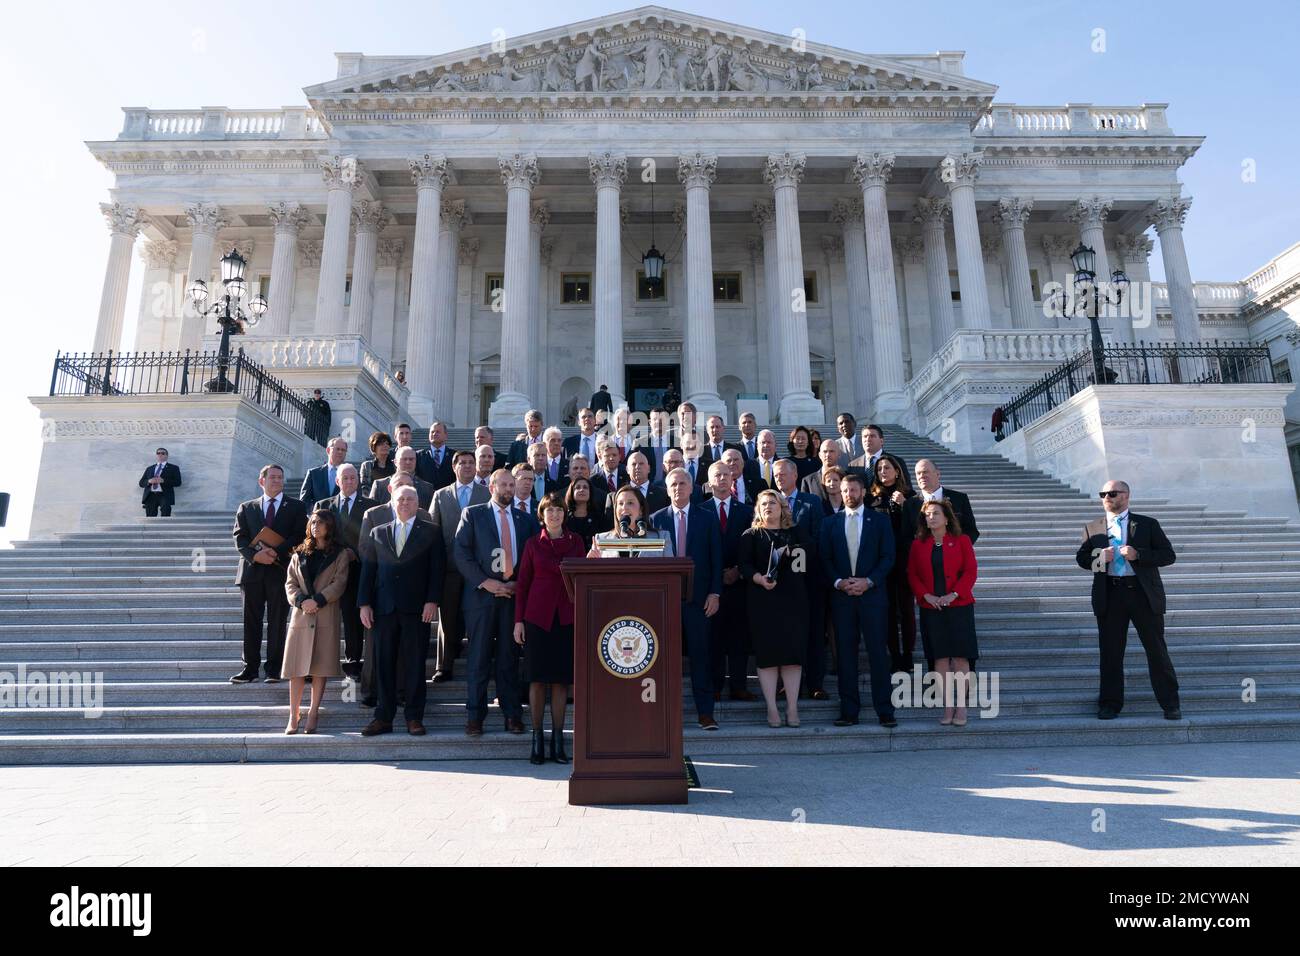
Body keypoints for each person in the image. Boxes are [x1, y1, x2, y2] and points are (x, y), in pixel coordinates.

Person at [1075, 480, 1181, 721]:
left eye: (1112, 493)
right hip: (1110, 595)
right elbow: (1082, 560)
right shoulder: (1093, 528)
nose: (1107, 497)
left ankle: (1170, 703)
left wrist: (1139, 555)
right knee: (1110, 653)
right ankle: (1110, 704)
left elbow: (1168, 555)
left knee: (1156, 650)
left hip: (1142, 594)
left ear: (1126, 495)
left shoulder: (1147, 524)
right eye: (1103, 493)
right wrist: (1099, 556)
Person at [454, 468, 540, 736]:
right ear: (491, 487)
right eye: (502, 484)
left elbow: (532, 558)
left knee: (509, 658)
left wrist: (519, 584)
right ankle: (475, 716)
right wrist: (486, 582)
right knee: (478, 658)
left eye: (511, 485)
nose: (507, 489)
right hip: (481, 597)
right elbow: (461, 552)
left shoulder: (525, 520)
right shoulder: (473, 514)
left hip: (513, 598)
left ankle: (512, 714)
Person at [358, 486, 444, 736]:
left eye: (410, 499)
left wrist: (432, 600)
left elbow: (437, 569)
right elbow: (368, 571)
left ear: (418, 503)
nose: (405, 503)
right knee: (383, 664)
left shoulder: (431, 531)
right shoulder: (378, 532)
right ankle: (383, 717)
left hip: (417, 609)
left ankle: (414, 717)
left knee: (415, 664)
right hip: (384, 609)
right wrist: (364, 603)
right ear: (393, 502)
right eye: (400, 499)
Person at [820, 472, 896, 727]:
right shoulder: (829, 523)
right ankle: (849, 710)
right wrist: (839, 582)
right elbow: (825, 559)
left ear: (863, 492)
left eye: (853, 490)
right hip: (842, 598)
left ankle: (885, 710)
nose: (849, 495)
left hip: (872, 597)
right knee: (845, 655)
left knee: (878, 654)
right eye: (845, 491)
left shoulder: (880, 521)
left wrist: (868, 581)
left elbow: (888, 557)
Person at [513, 492, 585, 764]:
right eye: (549, 510)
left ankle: (557, 739)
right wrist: (518, 621)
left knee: (560, 681)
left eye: (558, 510)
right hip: (537, 618)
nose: (554, 514)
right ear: (541, 515)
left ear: (565, 514)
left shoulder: (576, 541)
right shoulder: (533, 544)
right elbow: (522, 584)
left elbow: (582, 577)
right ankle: (537, 739)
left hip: (566, 617)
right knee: (537, 679)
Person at [652, 468, 723, 730]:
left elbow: (717, 558)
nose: (678, 488)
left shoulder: (707, 518)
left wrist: (715, 593)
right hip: (665, 603)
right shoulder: (656, 520)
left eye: (683, 483)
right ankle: (663, 715)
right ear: (667, 489)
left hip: (699, 600)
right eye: (673, 484)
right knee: (663, 660)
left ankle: (705, 713)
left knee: (701, 657)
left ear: (692, 488)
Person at [231, 465, 309, 684]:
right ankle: (250, 669)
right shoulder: (246, 508)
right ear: (261, 481)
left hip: (281, 571)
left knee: (277, 621)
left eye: (280, 477)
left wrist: (277, 551)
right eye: (272, 477)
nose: (277, 481)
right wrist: (256, 555)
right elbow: (240, 537)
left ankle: (274, 669)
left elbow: (300, 536)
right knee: (251, 621)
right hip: (252, 571)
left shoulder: (296, 506)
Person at [738, 490, 810, 727]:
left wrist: (789, 552)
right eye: (764, 503)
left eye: (773, 503)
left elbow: (806, 562)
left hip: (793, 601)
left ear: (782, 507)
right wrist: (759, 579)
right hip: (763, 602)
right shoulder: (751, 535)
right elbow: (744, 566)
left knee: (792, 657)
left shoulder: (796, 533)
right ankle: (772, 709)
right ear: (758, 508)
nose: (768, 507)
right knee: (768, 657)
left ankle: (792, 708)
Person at [908, 499, 979, 726]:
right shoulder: (918, 544)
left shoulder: (962, 540)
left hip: (959, 607)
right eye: (927, 515)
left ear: (947, 518)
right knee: (939, 659)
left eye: (936, 514)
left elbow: (970, 571)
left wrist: (954, 594)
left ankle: (961, 708)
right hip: (932, 608)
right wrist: (925, 596)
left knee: (960, 658)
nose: (931, 518)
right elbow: (912, 574)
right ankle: (947, 707)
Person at [282, 509, 349, 733]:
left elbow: (339, 583)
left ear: (329, 526)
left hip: (324, 613)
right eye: (312, 522)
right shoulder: (298, 553)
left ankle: (313, 712)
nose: (315, 526)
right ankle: (294, 714)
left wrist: (319, 599)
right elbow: (290, 584)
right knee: (296, 668)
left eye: (320, 523)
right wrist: (301, 601)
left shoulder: (339, 554)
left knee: (320, 667)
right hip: (301, 616)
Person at [429, 451, 489, 683]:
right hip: (450, 568)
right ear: (454, 467)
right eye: (462, 462)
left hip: (478, 569)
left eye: (471, 462)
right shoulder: (440, 495)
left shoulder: (486, 493)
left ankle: (478, 663)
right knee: (447, 619)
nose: (466, 466)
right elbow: (433, 533)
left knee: (476, 618)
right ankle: (444, 665)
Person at [312, 463, 375, 679]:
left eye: (353, 478)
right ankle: (318, 662)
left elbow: (373, 539)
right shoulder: (324, 505)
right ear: (337, 481)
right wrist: (338, 554)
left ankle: (353, 662)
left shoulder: (370, 505)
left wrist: (354, 553)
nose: (349, 481)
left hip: (357, 569)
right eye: (345, 478)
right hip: (328, 570)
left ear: (358, 480)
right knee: (324, 617)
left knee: (351, 616)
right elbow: (315, 536)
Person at [774, 459, 827, 699]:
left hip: (809, 580)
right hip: (780, 584)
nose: (779, 479)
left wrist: (796, 555)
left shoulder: (813, 502)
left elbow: (818, 537)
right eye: (776, 475)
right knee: (786, 634)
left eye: (783, 474)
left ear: (795, 475)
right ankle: (786, 684)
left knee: (814, 633)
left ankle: (815, 683)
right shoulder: (769, 502)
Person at [706, 461, 755, 701]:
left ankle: (739, 685)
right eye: (718, 475)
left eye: (727, 475)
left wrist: (738, 570)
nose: (723, 479)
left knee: (739, 637)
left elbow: (751, 547)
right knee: (713, 637)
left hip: (739, 583)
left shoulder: (746, 511)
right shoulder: (700, 510)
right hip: (711, 586)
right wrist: (716, 576)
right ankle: (715, 685)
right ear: (710, 480)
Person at [870, 453, 918, 673]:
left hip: (904, 559)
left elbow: (919, 527)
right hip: (881, 561)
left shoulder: (910, 495)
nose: (883, 472)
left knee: (906, 608)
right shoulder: (872, 497)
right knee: (887, 610)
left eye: (887, 468)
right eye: (879, 469)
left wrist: (905, 504)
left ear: (897, 471)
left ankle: (907, 654)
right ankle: (894, 655)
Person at [901, 459, 980, 557]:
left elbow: (971, 530)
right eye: (918, 473)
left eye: (925, 472)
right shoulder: (910, 504)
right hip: (924, 561)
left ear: (938, 474)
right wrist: (921, 552)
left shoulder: (959, 499)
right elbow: (906, 536)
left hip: (955, 558)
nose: (921, 476)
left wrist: (957, 548)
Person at [589, 485, 675, 557]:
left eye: (630, 503)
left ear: (641, 510)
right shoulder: (601, 539)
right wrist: (590, 563)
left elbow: (671, 572)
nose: (624, 507)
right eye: (620, 504)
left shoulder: (661, 537)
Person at [604, 451, 668, 523]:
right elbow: (609, 525)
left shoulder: (663, 494)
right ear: (627, 469)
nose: (637, 467)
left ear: (649, 468)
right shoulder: (614, 496)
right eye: (634, 464)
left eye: (641, 464)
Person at [371, 445, 435, 510]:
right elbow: (372, 513)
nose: (408, 462)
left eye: (411, 459)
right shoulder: (379, 485)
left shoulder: (427, 488)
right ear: (395, 462)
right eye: (404, 459)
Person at [300, 436, 349, 503]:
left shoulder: (352, 476)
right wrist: (314, 513)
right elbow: (304, 501)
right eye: (337, 449)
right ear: (328, 450)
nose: (340, 452)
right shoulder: (313, 474)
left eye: (343, 450)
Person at [139, 447, 182, 517]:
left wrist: (163, 481)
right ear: (156, 455)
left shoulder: (174, 468)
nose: (160, 454)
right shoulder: (150, 468)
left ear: (167, 456)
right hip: (150, 495)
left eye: (163, 453)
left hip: (165, 495)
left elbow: (178, 482)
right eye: (158, 453)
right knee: (150, 517)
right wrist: (149, 481)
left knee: (165, 515)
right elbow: (141, 483)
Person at [415, 421, 456, 490]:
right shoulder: (418, 455)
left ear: (446, 435)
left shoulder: (454, 455)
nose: (434, 434)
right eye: (432, 432)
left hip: (448, 496)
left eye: (438, 432)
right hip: (426, 497)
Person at [564, 477, 602, 549]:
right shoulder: (564, 518)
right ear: (571, 492)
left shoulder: (598, 517)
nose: (582, 490)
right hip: (571, 559)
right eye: (577, 487)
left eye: (585, 487)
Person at [801, 438, 840, 506]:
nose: (828, 455)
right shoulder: (808, 481)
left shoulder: (847, 478)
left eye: (831, 451)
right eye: (825, 451)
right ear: (819, 455)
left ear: (839, 454)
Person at [698, 414, 738, 480]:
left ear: (723, 428)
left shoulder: (734, 449)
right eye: (712, 427)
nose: (715, 430)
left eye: (717, 427)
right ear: (707, 430)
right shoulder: (700, 451)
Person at [358, 431, 395, 498]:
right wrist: (371, 501)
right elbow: (364, 487)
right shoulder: (367, 466)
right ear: (373, 447)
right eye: (381, 444)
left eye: (387, 443)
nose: (385, 446)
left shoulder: (395, 465)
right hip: (373, 501)